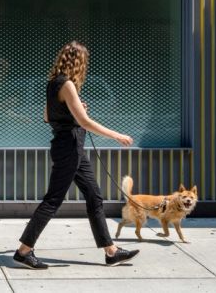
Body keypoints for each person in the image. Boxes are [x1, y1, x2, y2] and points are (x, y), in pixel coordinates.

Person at [12, 41, 139, 270]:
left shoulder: (53, 83)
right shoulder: (67, 84)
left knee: (94, 196)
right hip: (69, 147)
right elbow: (85, 122)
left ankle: (111, 252)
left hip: (71, 147)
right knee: (53, 200)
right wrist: (116, 135)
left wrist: (74, 108)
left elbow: (47, 117)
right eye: (84, 62)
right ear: (78, 62)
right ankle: (23, 251)